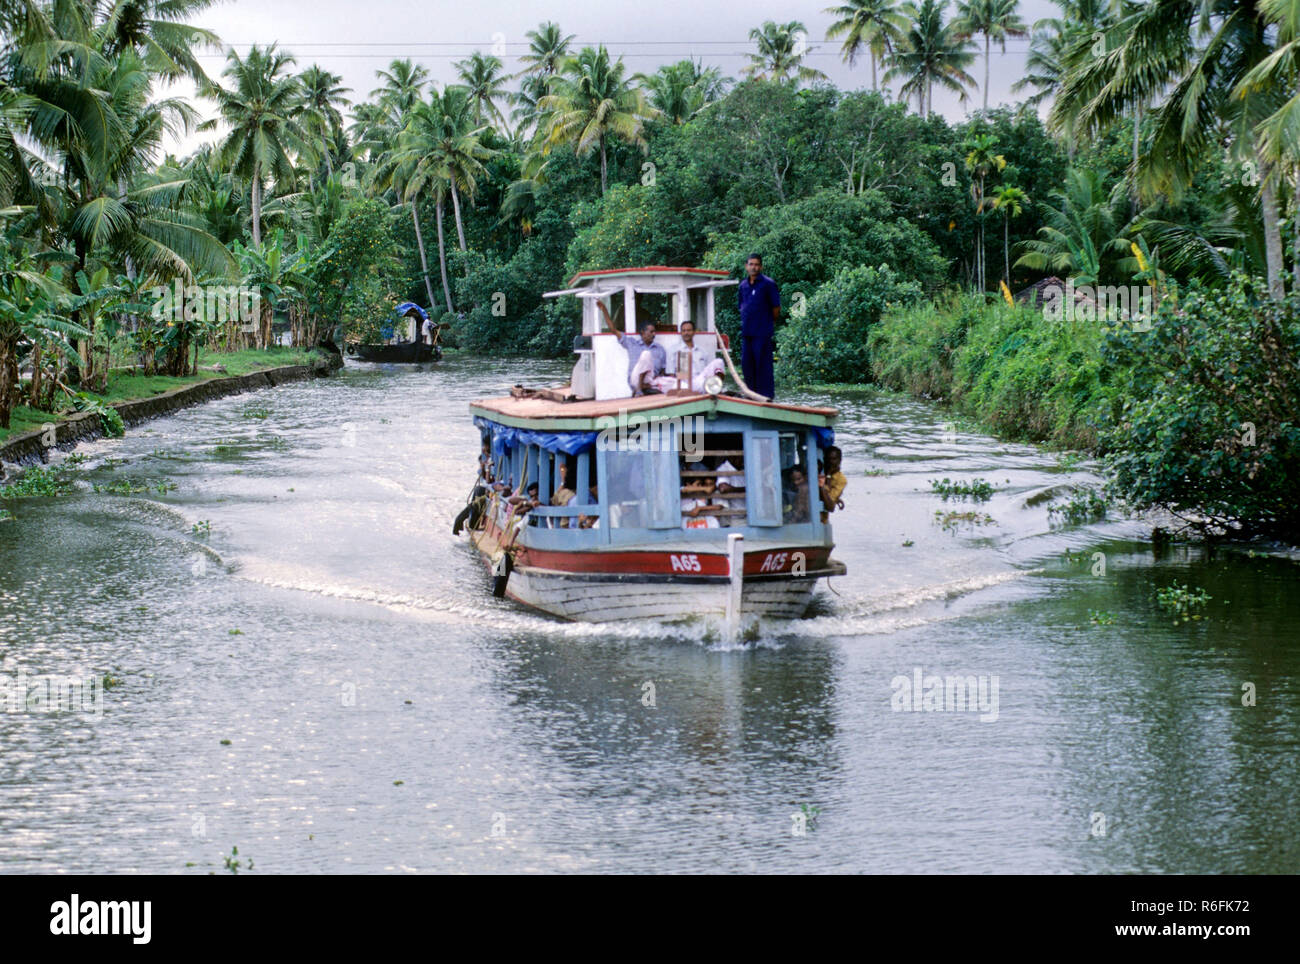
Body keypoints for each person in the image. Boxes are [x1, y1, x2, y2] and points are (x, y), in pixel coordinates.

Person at [738, 253, 780, 400]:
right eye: (751, 264)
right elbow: (741, 306)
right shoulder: (743, 285)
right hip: (747, 332)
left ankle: (766, 397)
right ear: (746, 266)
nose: (753, 267)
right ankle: (751, 396)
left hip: (762, 333)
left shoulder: (768, 284)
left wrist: (767, 322)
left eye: (756, 264)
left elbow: (776, 308)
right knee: (746, 365)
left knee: (763, 366)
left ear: (761, 266)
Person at [601, 303, 666, 395]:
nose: (654, 334)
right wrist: (604, 309)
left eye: (654, 332)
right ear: (642, 332)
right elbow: (613, 329)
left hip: (652, 381)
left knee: (673, 383)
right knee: (646, 354)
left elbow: (663, 370)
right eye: (651, 332)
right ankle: (639, 388)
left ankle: (647, 387)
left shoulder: (660, 349)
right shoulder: (632, 344)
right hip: (635, 380)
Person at [819, 445, 847, 524]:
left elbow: (830, 506)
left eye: (834, 459)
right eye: (828, 459)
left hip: (821, 519)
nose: (831, 462)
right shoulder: (819, 470)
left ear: (840, 460)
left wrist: (823, 484)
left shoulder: (840, 479)